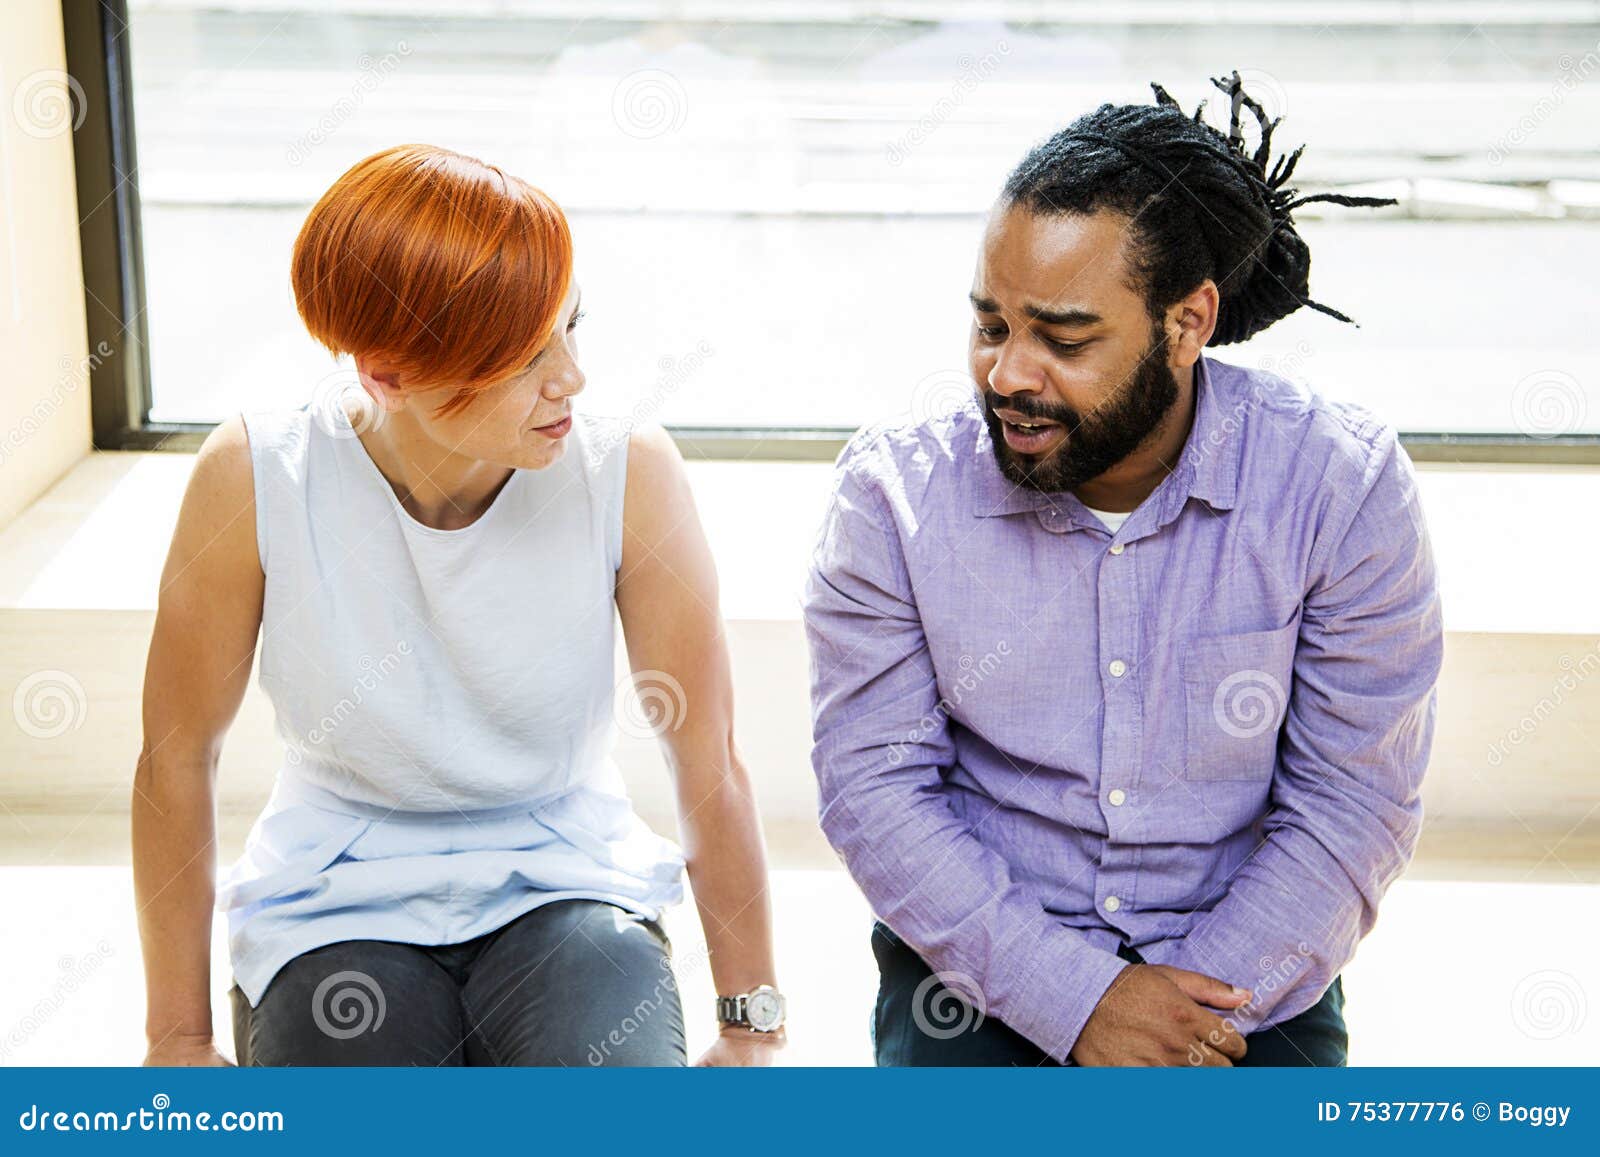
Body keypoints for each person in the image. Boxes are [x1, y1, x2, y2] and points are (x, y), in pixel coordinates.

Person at [803, 74, 1442, 1066]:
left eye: (1063, 338)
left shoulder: (1339, 486)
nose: (1009, 373)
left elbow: (1351, 803)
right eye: (990, 326)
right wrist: (1080, 998)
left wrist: (1184, 1019)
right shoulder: (892, 497)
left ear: (1187, 324)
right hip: (982, 965)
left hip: (1244, 978)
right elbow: (875, 790)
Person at [132, 144, 787, 1067]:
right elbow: (173, 759)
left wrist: (750, 1025)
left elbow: (707, 757)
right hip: (335, 894)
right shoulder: (256, 476)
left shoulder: (627, 469)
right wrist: (177, 1038)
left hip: (565, 882)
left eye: (572, 326)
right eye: (525, 357)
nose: (571, 378)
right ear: (386, 374)